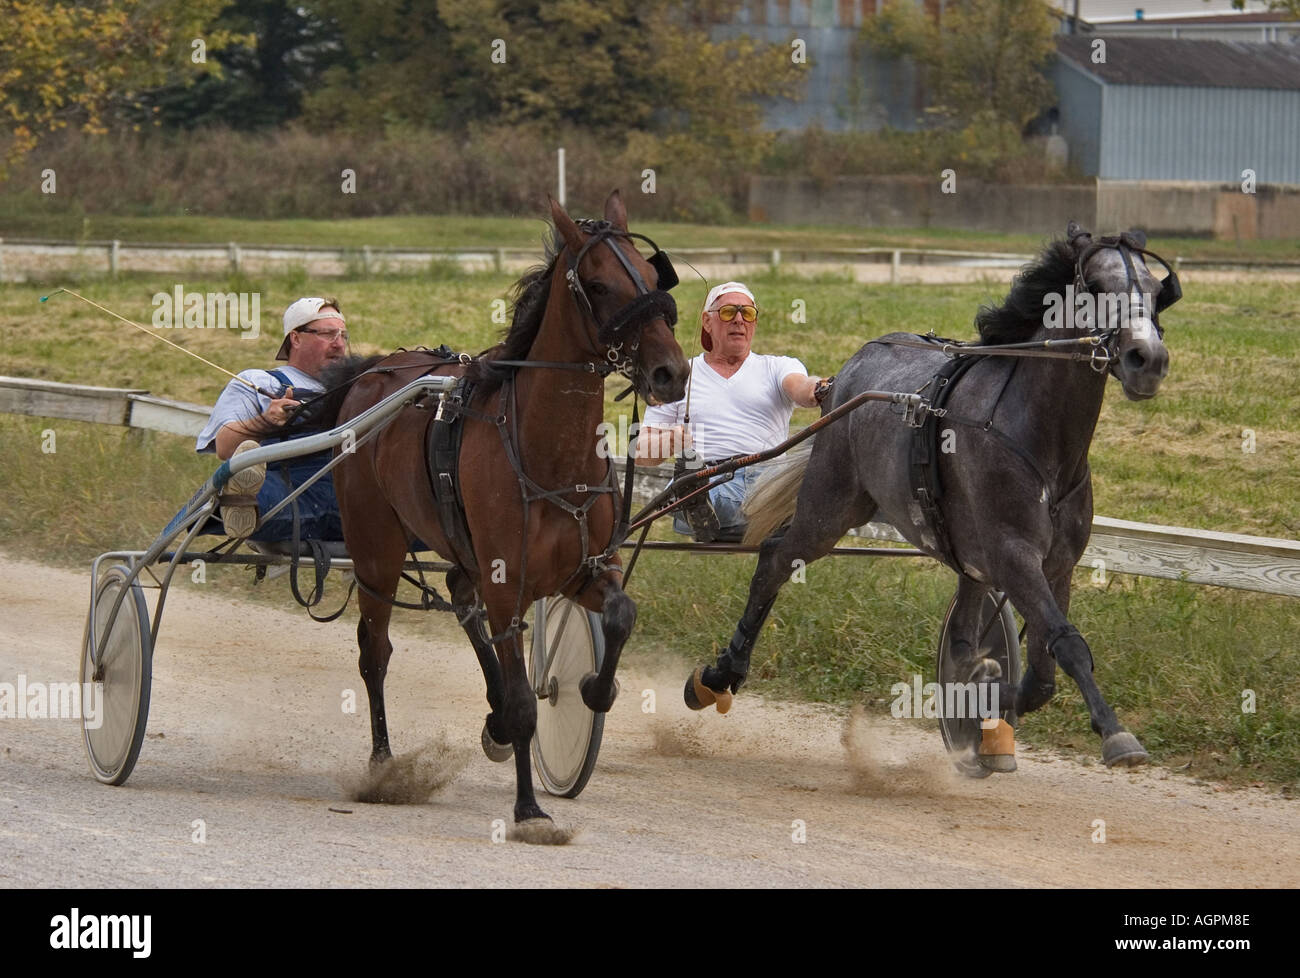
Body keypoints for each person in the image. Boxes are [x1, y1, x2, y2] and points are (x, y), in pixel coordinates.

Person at [638, 282, 830, 542]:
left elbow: (802, 389)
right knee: (692, 485)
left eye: (747, 313)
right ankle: (704, 504)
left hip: (765, 477)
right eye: (729, 312)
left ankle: (710, 509)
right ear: (707, 321)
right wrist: (670, 439)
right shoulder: (680, 375)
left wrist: (820, 390)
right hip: (706, 475)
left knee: (770, 489)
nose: (739, 320)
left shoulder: (777, 367)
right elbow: (641, 453)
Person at [192, 297, 350, 542]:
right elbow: (224, 447)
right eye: (328, 334)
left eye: (343, 336)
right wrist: (265, 422)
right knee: (267, 494)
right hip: (292, 492)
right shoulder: (261, 381)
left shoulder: (358, 388)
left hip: (352, 495)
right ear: (295, 338)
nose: (339, 345)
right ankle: (243, 502)